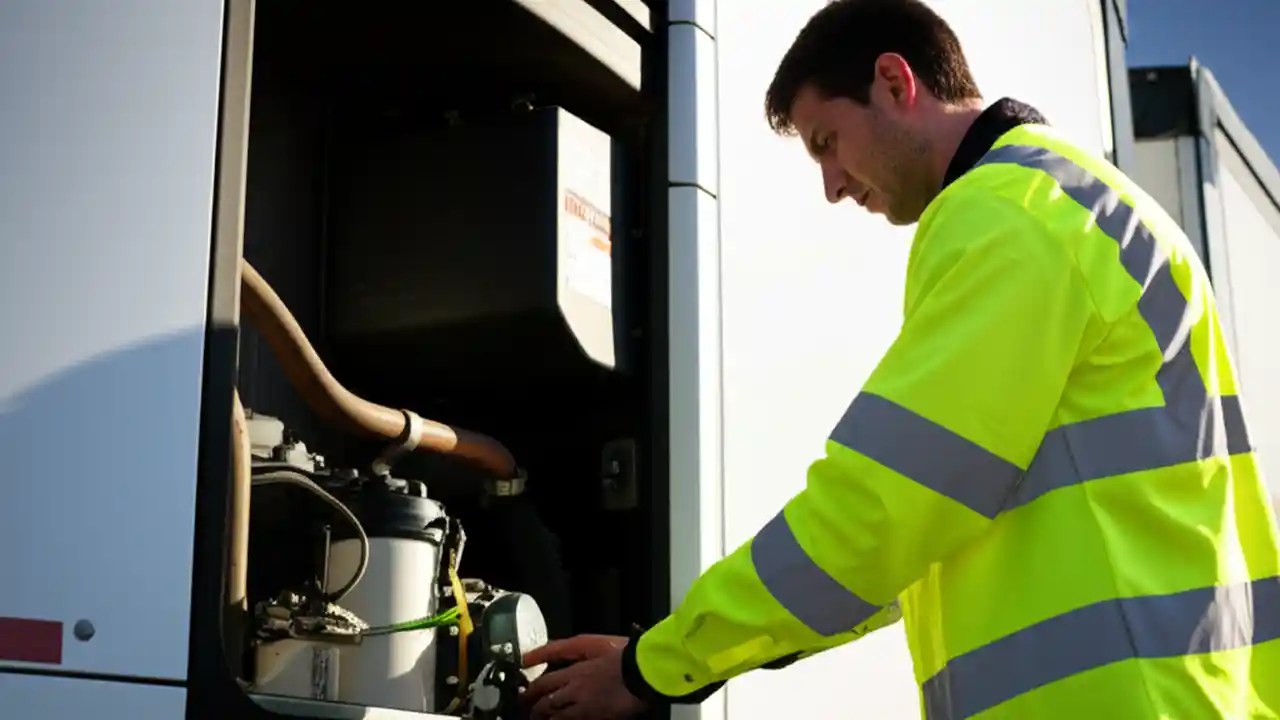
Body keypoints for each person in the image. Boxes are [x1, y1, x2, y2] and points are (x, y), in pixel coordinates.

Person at [519, 1, 1280, 718]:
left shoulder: (1009, 215)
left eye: (828, 144)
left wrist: (654, 667)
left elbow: (882, 509)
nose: (832, 186)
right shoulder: (1083, 209)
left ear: (894, 81)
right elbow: (909, 545)